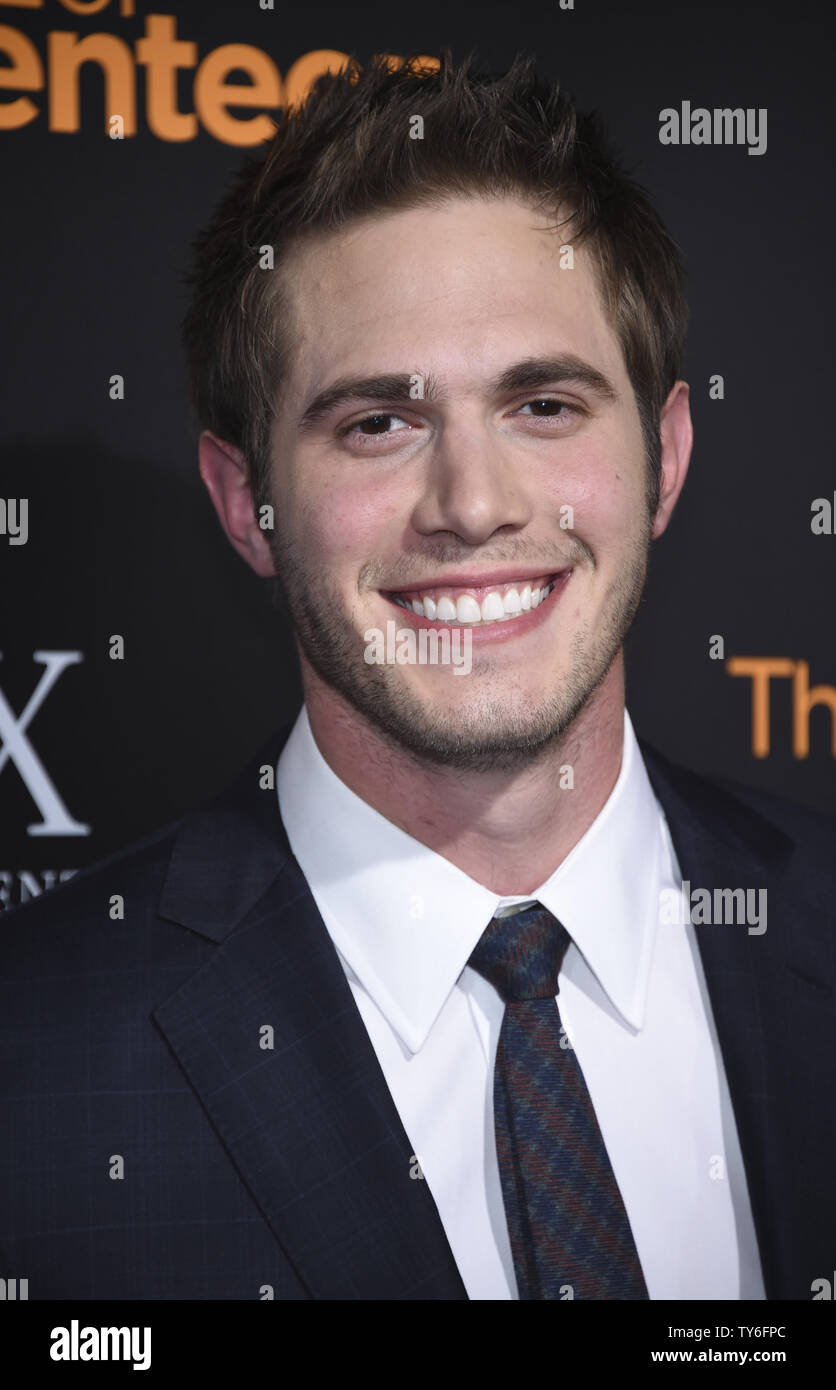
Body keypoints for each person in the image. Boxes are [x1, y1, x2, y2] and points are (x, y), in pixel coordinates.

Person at [1, 51, 833, 1302]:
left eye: (543, 404)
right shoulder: (31, 1062)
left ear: (660, 459)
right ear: (246, 504)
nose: (474, 505)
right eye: (377, 423)